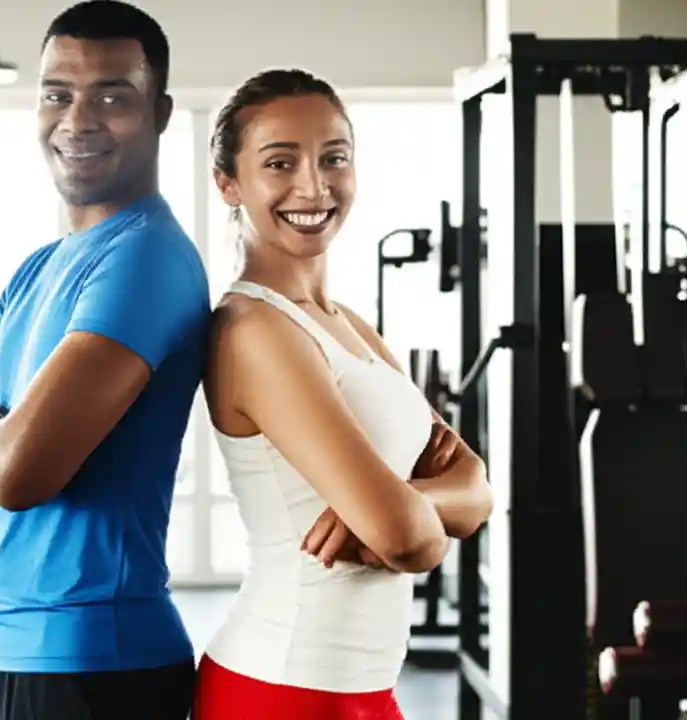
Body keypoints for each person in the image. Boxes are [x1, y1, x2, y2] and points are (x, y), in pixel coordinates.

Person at [0, 2, 209, 719]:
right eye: (57, 94)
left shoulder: (145, 259)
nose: (78, 120)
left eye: (112, 95)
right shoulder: (37, 269)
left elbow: (15, 474)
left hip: (95, 666)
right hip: (6, 654)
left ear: (161, 112)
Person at [193, 69, 493, 720]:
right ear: (229, 184)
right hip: (283, 687)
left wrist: (403, 510)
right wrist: (404, 521)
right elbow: (412, 541)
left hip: (360, 691)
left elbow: (476, 488)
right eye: (280, 162)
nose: (313, 185)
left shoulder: (348, 325)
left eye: (334, 158)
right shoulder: (254, 330)